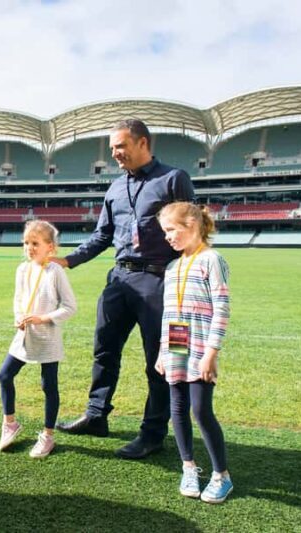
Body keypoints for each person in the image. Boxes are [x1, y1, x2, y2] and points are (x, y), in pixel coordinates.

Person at [54, 119, 195, 459]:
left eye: (120, 146)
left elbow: (192, 229)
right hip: (118, 280)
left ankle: (152, 433)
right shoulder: (115, 188)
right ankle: (96, 415)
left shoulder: (174, 179)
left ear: (142, 143)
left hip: (159, 281)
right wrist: (67, 261)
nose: (114, 154)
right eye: (112, 148)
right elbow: (102, 235)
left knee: (158, 361)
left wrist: (188, 280)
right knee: (104, 351)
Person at [155, 201, 232, 504]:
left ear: (192, 225)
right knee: (177, 409)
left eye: (171, 230)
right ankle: (188, 467)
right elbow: (168, 314)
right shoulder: (173, 267)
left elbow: (222, 308)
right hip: (175, 346)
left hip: (201, 347)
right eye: (165, 232)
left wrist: (211, 352)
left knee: (200, 410)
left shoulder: (212, 260)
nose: (167, 237)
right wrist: (163, 351)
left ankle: (221, 475)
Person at [0, 220, 77, 458]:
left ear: (50, 248)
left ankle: (48, 436)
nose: (29, 248)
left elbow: (70, 307)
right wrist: (19, 317)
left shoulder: (56, 272)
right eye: (26, 243)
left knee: (48, 385)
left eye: (35, 243)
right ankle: (10, 423)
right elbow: (18, 299)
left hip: (47, 337)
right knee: (4, 375)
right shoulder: (22, 269)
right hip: (24, 335)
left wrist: (44, 318)